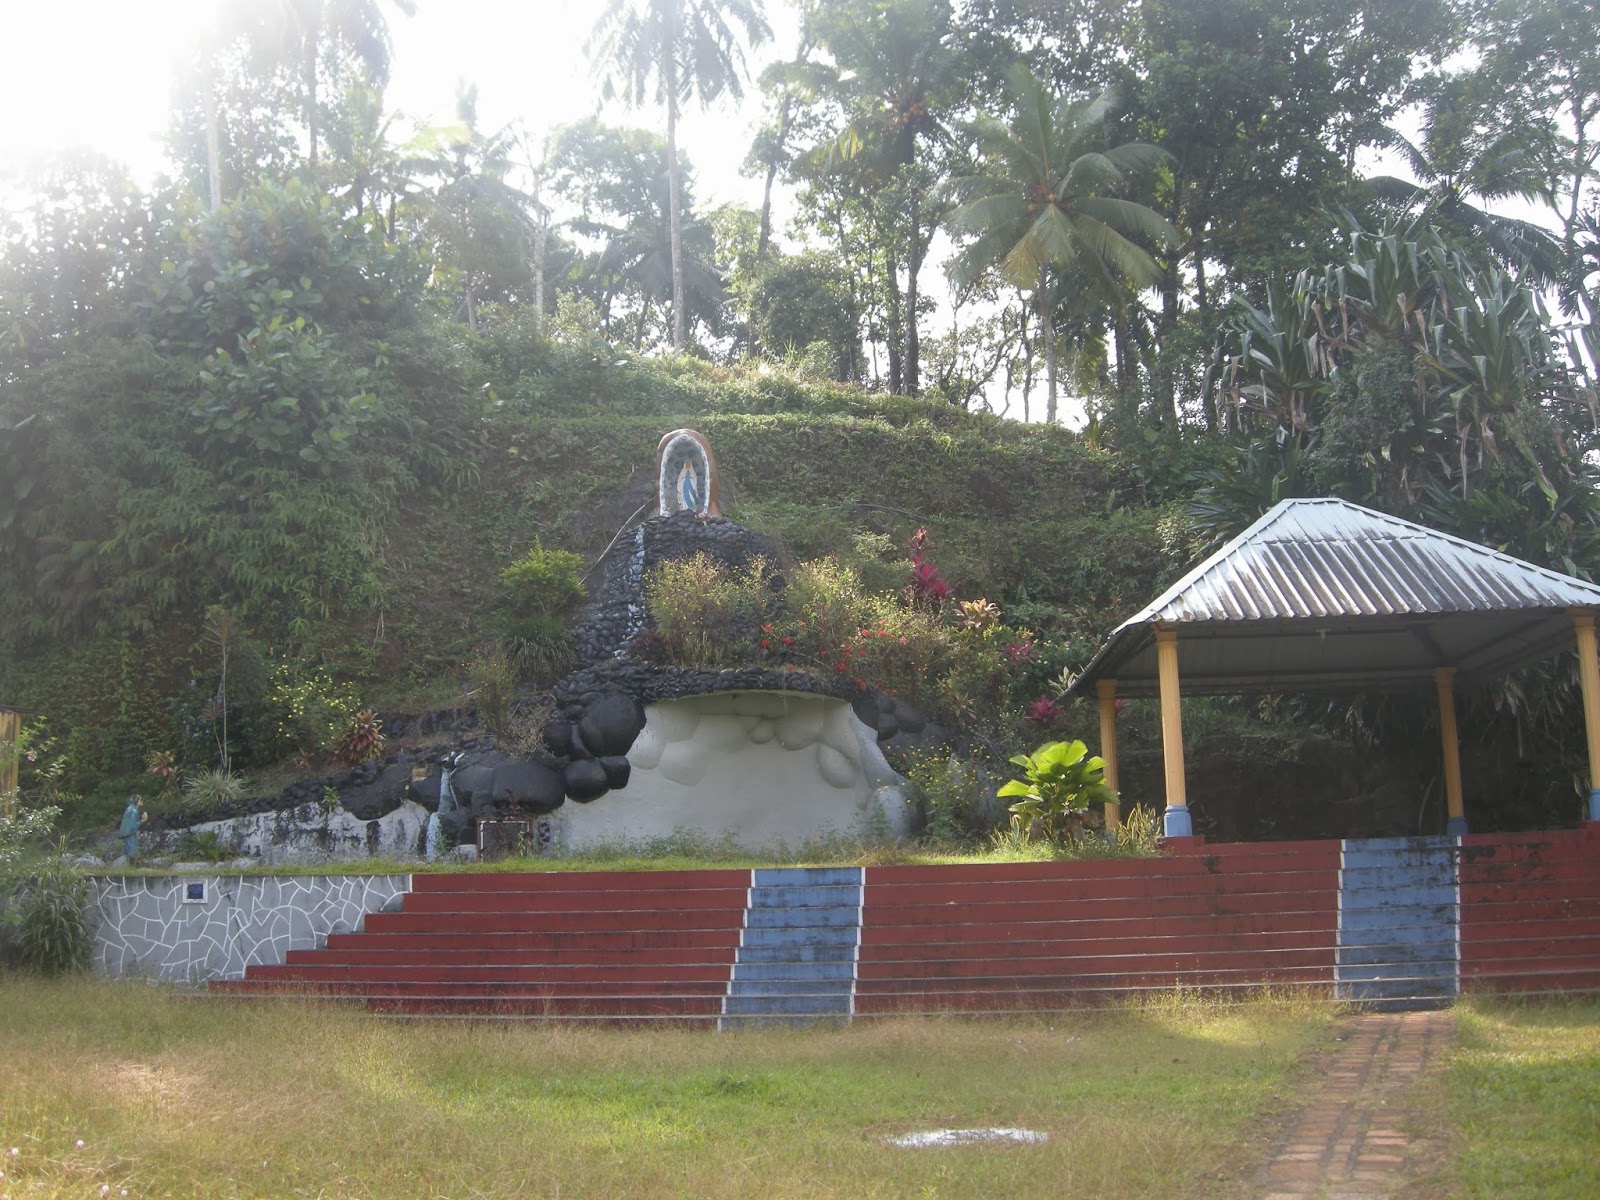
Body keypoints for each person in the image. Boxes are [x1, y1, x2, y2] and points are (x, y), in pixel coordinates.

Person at [118, 793, 146, 861]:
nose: (141, 801)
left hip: (126, 832)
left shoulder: (130, 809)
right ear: (137, 801)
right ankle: (130, 864)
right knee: (132, 852)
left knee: (126, 851)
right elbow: (133, 825)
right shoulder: (133, 811)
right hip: (130, 833)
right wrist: (142, 821)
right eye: (140, 800)